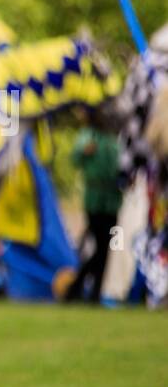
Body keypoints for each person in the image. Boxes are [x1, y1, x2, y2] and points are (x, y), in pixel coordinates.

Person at [65, 118, 123, 303]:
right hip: (94, 199)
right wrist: (85, 150)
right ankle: (77, 288)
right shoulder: (89, 136)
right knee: (98, 247)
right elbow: (75, 158)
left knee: (105, 248)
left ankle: (93, 291)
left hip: (112, 199)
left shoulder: (118, 138)